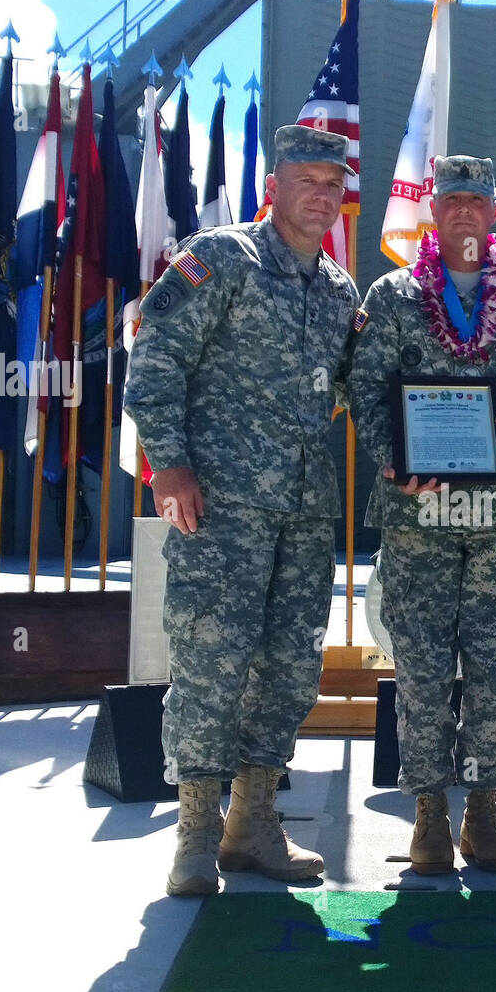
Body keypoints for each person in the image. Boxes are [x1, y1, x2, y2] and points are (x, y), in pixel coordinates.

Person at [123, 124, 360, 896]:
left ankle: (252, 823)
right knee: (211, 664)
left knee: (289, 668)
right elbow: (154, 351)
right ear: (275, 186)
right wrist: (171, 463)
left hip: (302, 512)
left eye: (334, 184)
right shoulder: (221, 258)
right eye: (308, 182)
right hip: (217, 506)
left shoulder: (338, 291)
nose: (322, 196)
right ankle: (194, 833)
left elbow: (361, 389)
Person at [349, 155, 496, 873]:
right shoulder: (392, 298)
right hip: (416, 513)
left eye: (474, 202)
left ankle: (482, 810)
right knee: (419, 667)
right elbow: (363, 388)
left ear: (492, 215)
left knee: (494, 664)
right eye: (448, 201)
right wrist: (392, 455)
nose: (461, 213)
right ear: (434, 213)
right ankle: (428, 811)